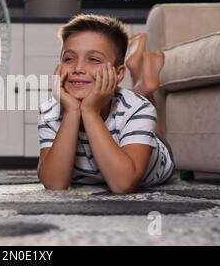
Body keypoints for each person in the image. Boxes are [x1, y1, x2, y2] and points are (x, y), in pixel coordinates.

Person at [37, 14, 174, 194]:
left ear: (118, 74)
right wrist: (71, 112)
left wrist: (90, 111)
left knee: (146, 114)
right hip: (123, 115)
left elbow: (122, 184)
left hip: (157, 154)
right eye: (69, 59)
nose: (78, 69)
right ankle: (141, 81)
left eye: (93, 59)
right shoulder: (50, 111)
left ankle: (144, 88)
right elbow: (54, 184)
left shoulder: (137, 109)